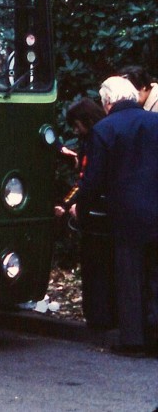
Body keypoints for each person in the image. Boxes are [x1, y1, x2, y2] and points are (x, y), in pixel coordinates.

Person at [73, 76, 158, 356]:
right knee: (154, 275)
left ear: (107, 102)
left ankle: (133, 340)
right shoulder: (155, 122)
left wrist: (81, 210)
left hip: (126, 213)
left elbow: (93, 181)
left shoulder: (105, 129)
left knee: (129, 276)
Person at [56, 98, 114, 331]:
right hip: (109, 209)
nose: (75, 130)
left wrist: (69, 203)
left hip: (95, 212)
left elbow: (86, 180)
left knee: (95, 266)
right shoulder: (106, 133)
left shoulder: (94, 139)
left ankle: (99, 317)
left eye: (77, 125)